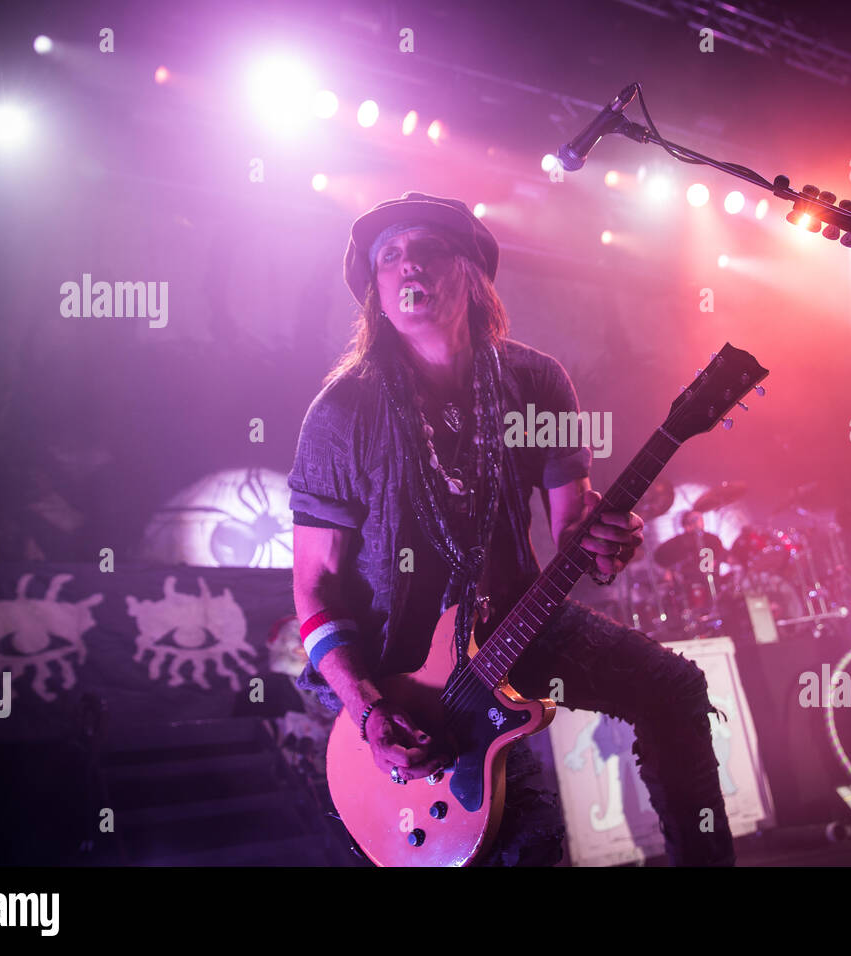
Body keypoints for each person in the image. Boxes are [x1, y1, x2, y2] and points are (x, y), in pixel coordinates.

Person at [288, 192, 734, 866]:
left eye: (428, 249)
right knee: (528, 843)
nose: (408, 266)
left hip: (520, 624)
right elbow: (315, 585)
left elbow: (577, 530)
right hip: (407, 678)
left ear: (471, 271)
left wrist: (609, 542)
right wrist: (370, 709)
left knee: (675, 690)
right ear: (376, 292)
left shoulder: (537, 382)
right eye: (390, 258)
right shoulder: (342, 413)